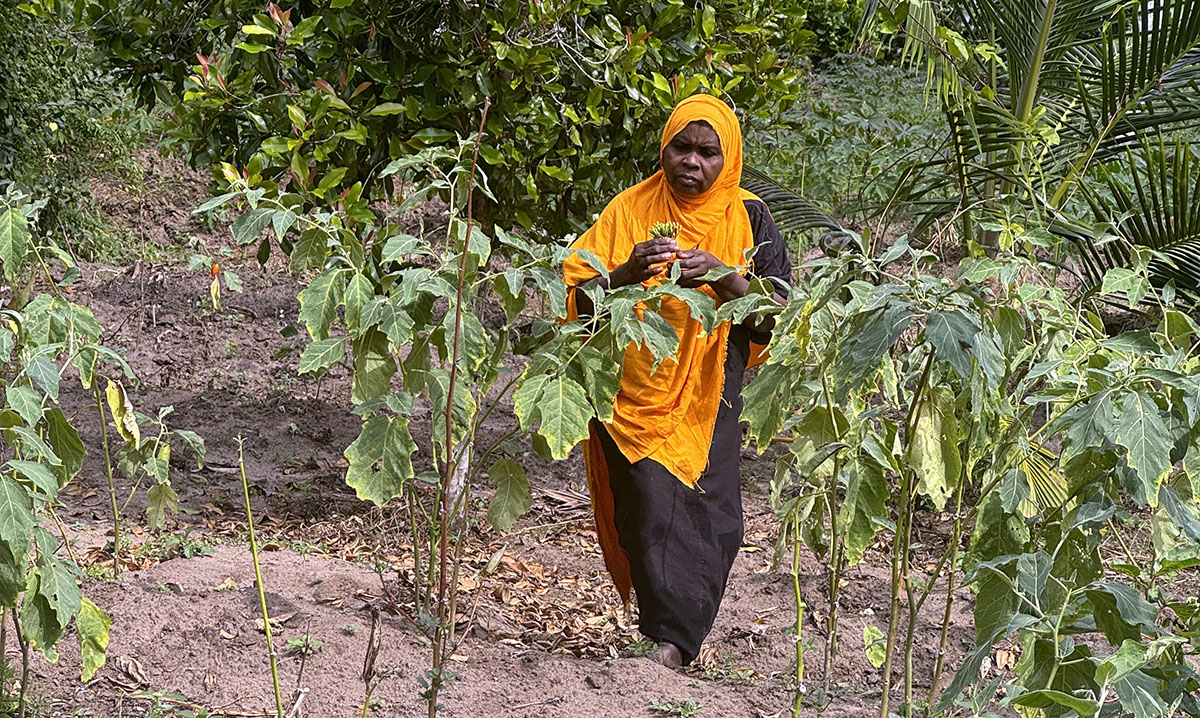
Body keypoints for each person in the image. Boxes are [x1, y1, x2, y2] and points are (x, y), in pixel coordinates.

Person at [562, 94, 792, 668]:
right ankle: (662, 634)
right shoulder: (628, 210)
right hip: (632, 387)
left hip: (712, 383)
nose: (693, 162)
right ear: (663, 149)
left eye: (708, 153)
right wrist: (627, 271)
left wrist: (722, 276)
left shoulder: (750, 218)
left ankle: (674, 643)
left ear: (729, 158)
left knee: (707, 510)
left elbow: (780, 314)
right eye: (681, 148)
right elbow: (577, 299)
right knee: (645, 502)